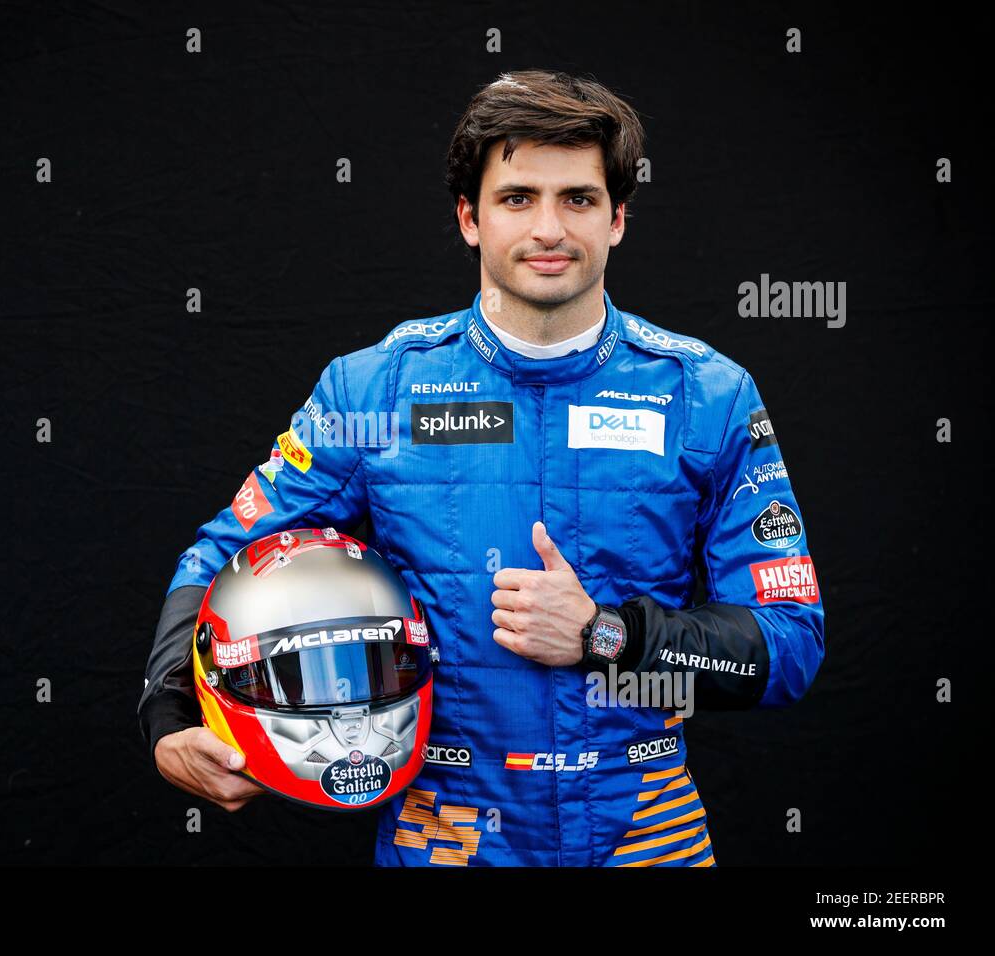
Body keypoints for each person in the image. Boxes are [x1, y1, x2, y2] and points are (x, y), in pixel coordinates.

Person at [138, 69, 824, 866]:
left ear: (617, 219)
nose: (549, 229)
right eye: (517, 198)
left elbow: (789, 645)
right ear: (470, 218)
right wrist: (168, 717)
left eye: (578, 199)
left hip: (645, 833)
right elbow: (223, 556)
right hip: (446, 838)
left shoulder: (708, 396)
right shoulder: (376, 390)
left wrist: (605, 635)